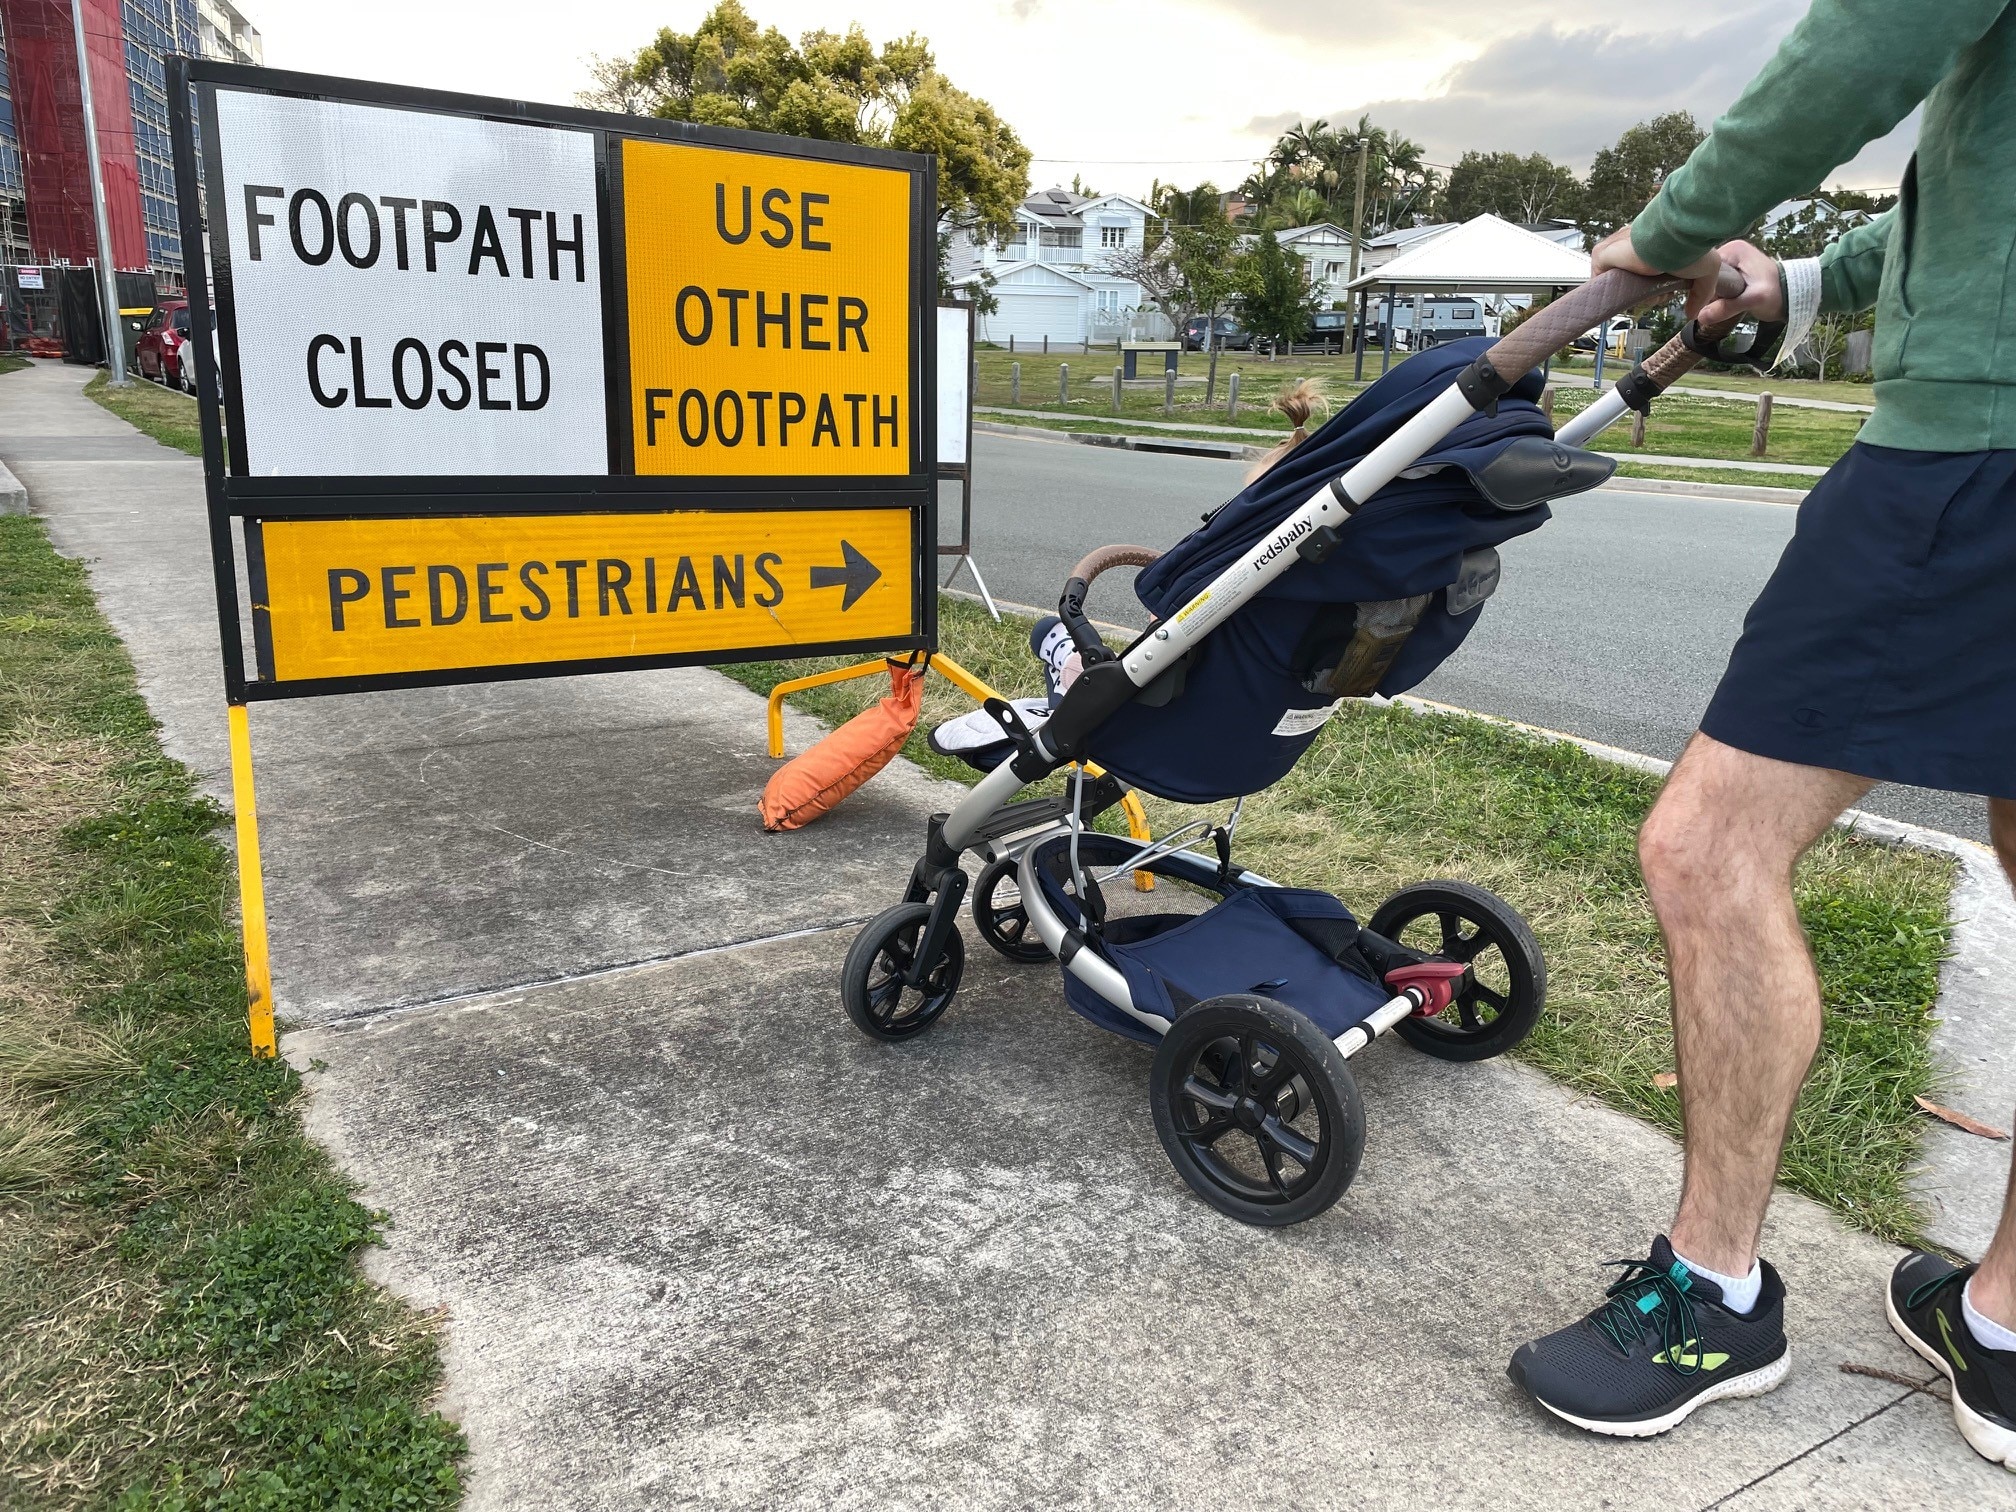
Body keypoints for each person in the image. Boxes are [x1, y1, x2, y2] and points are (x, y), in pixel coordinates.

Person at [1504, 0, 2016, 1468]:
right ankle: (2008, 1328)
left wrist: (1658, 236)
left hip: (1979, 456)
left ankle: (1713, 1295)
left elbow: (1877, 37)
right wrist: (1805, 279)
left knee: (1707, 846)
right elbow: (1972, 188)